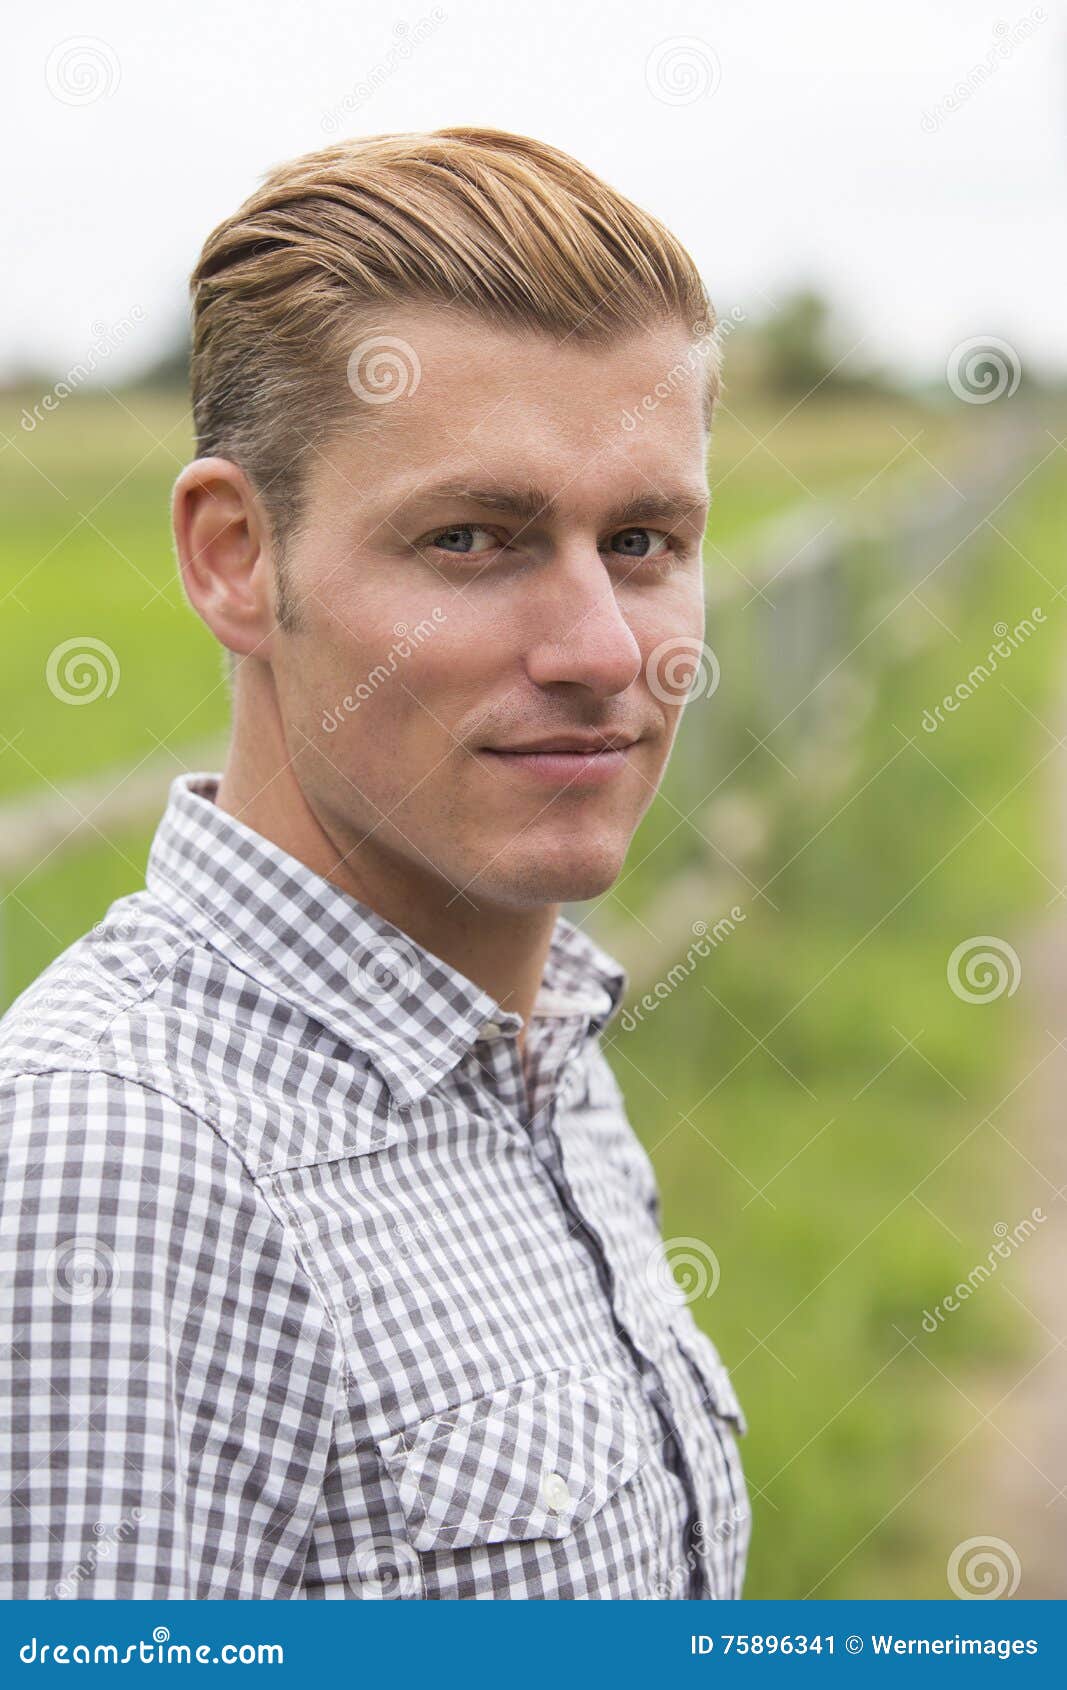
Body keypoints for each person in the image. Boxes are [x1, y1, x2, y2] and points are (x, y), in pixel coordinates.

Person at [0, 127, 749, 1599]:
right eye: (473, 537)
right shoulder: (120, 1166)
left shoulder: (537, 1048)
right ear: (233, 555)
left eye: (647, 539)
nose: (604, 651)